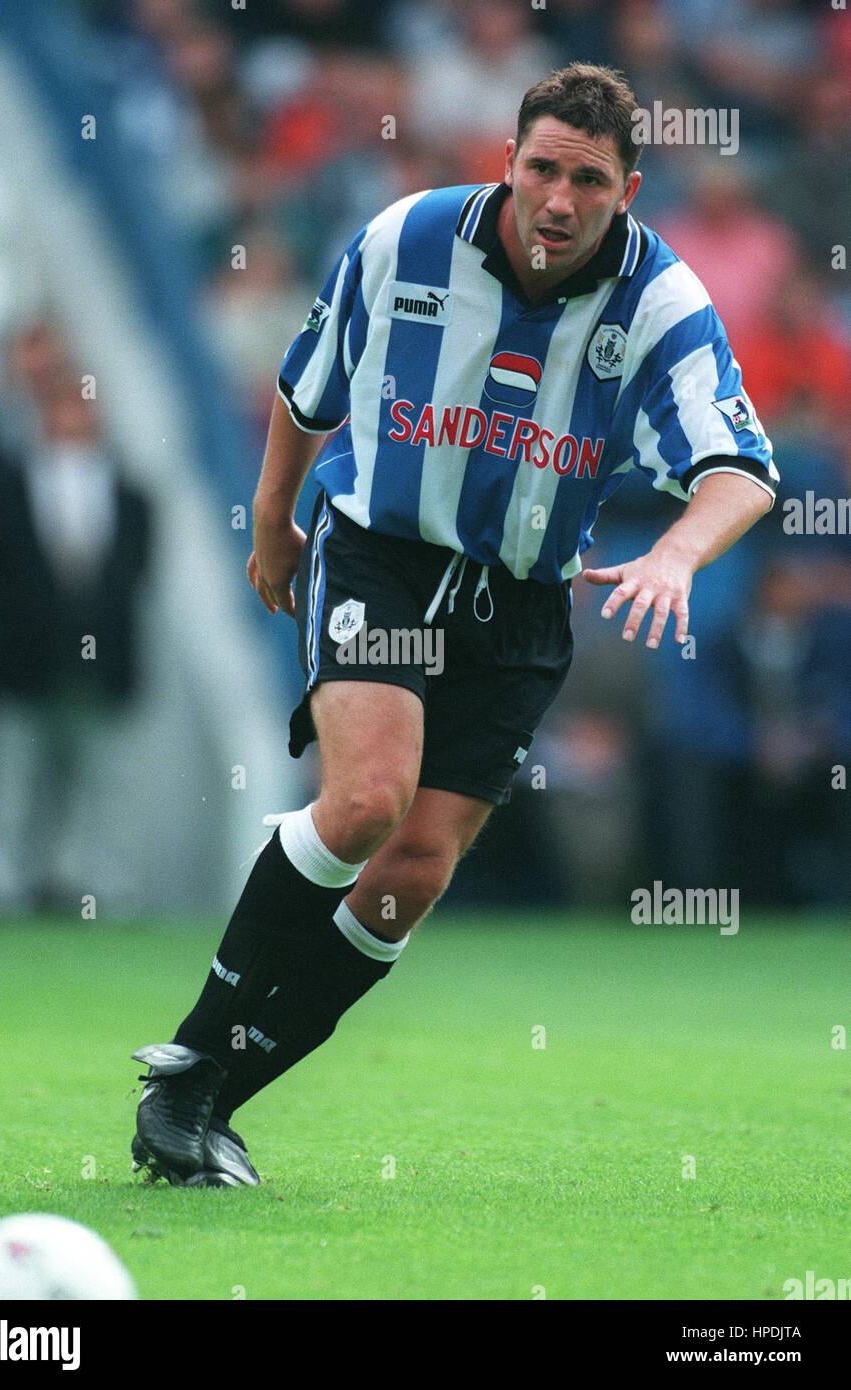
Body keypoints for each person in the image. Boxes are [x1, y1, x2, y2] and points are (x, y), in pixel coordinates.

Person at [130, 63, 778, 1188]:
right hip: (381, 551)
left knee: (413, 871)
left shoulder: (661, 303)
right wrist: (274, 522)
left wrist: (677, 550)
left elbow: (743, 468)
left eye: (587, 178)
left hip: (521, 604)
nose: (558, 199)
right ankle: (190, 1052)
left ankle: (206, 1100)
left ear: (626, 190)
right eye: (540, 168)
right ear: (509, 160)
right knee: (368, 797)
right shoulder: (405, 238)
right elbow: (305, 391)